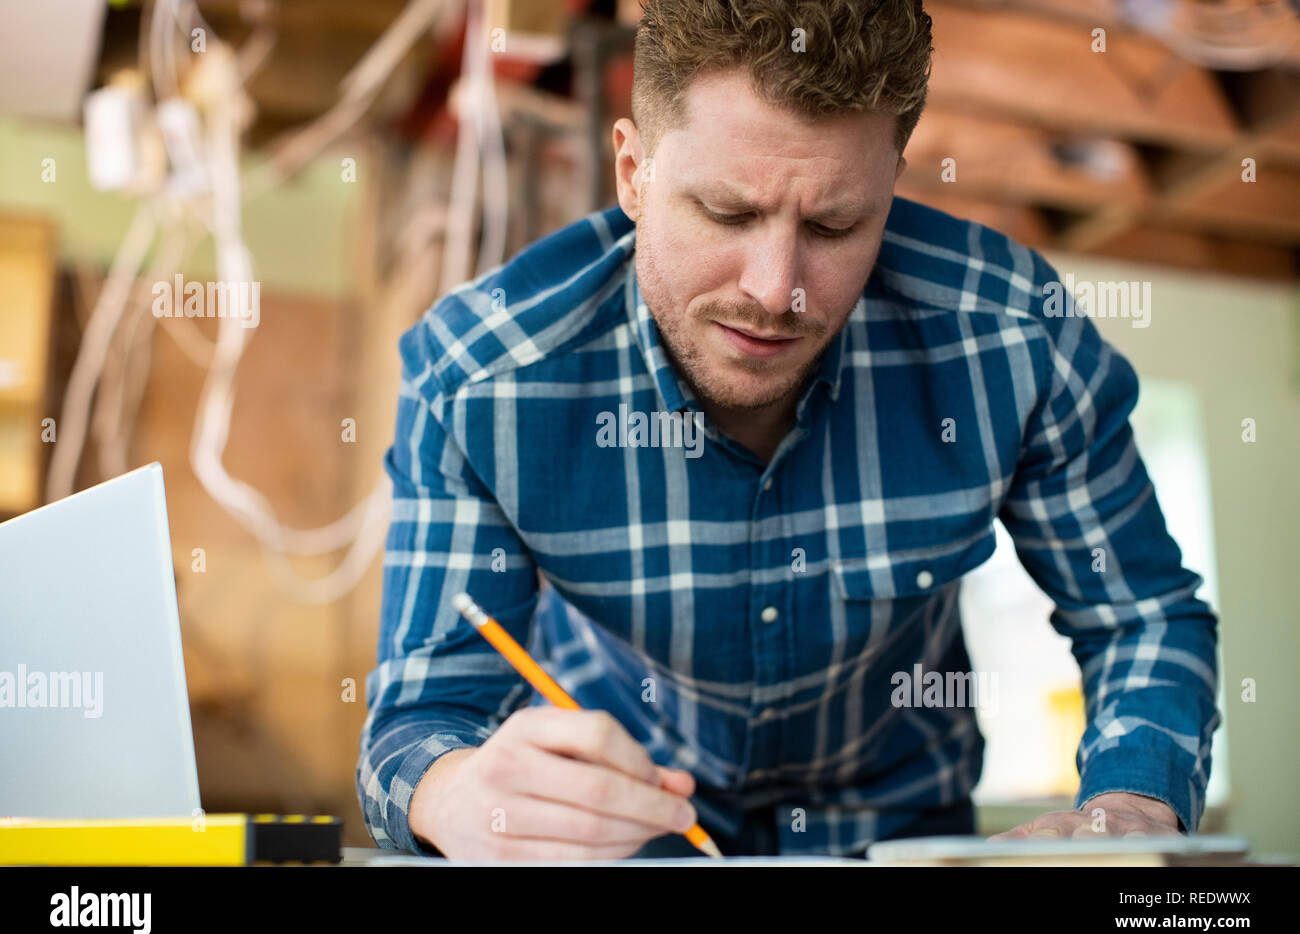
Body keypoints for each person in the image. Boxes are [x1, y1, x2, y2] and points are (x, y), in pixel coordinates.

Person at [356, 0, 1219, 860]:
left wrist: (1134, 800)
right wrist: (452, 791)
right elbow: (422, 720)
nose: (777, 291)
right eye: (728, 213)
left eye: (835, 225)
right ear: (633, 172)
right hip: (625, 833)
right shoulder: (478, 381)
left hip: (901, 832)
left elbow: (1142, 615)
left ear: (892, 183)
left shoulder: (1017, 340)